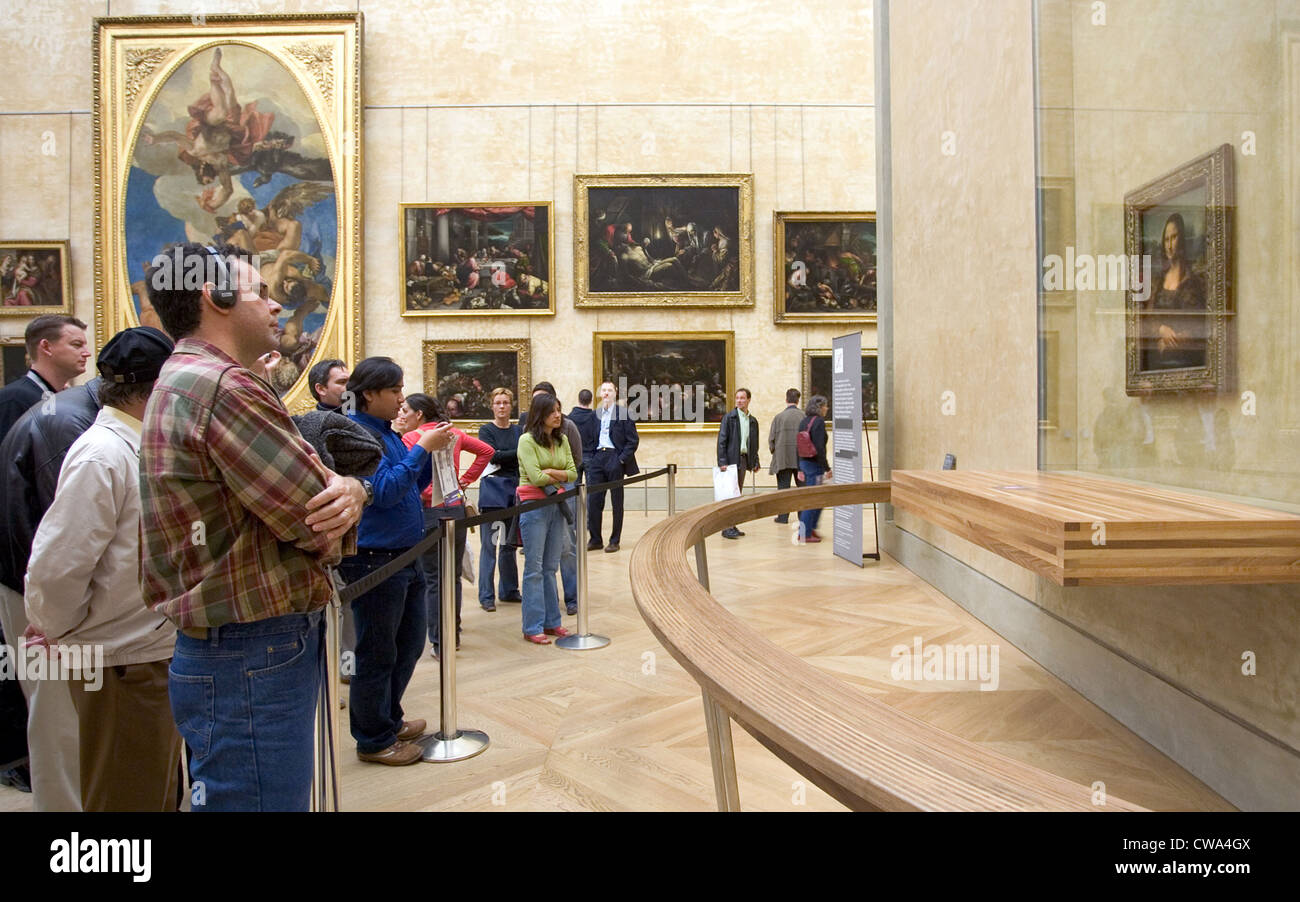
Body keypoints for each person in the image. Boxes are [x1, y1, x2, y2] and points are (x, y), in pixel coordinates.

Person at [140, 242, 368, 810]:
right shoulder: (223, 385)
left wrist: (347, 488)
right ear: (213, 297)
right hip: (251, 648)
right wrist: (352, 489)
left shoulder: (186, 376)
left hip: (231, 646)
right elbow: (316, 517)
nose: (275, 305)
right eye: (259, 292)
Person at [24, 327, 182, 811]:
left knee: (153, 791)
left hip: (145, 651)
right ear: (156, 389)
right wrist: (57, 628)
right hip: (119, 660)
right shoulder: (102, 454)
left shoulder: (137, 444)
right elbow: (59, 563)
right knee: (124, 798)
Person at [340, 359, 452, 765]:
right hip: (375, 560)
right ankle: (373, 739)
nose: (402, 399)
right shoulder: (355, 435)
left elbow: (408, 487)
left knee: (408, 644)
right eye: (394, 390)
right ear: (369, 394)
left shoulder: (387, 433)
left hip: (405, 554)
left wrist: (433, 458)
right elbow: (384, 492)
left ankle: (389, 717)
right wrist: (421, 448)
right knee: (377, 652)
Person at [0, 313, 93, 806]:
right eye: (75, 343)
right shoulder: (19, 401)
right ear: (44, 347)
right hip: (24, 568)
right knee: (47, 696)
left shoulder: (62, 402)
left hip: (49, 567)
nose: (85, 351)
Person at [398, 393, 492, 657]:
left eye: (405, 410)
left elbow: (406, 473)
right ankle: (453, 634)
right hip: (454, 506)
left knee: (432, 578)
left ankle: (440, 642)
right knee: (452, 576)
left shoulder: (412, 438)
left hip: (428, 510)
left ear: (419, 414)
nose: (402, 414)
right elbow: (487, 451)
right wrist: (464, 481)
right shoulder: (454, 433)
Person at [516, 392, 576, 644]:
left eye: (559, 410)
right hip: (534, 506)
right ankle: (532, 625)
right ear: (540, 414)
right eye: (552, 411)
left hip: (556, 504)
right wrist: (557, 474)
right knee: (534, 568)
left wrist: (551, 471)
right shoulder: (526, 440)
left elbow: (573, 473)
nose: (557, 415)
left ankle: (552, 621)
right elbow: (536, 478)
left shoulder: (562, 440)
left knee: (551, 567)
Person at [0, 314, 92, 440]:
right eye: (77, 345)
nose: (87, 353)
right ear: (46, 347)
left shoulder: (60, 398)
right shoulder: (14, 399)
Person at [1142, 212, 1209, 371]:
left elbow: (1201, 326)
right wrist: (1161, 330)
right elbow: (1146, 319)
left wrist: (1173, 341)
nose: (1170, 245)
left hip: (1186, 361)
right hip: (1156, 361)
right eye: (1166, 239)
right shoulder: (1157, 281)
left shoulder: (1194, 281)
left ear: (1182, 239)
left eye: (1174, 237)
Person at [477, 388, 523, 612]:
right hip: (494, 495)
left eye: (505, 402)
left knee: (508, 545)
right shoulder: (486, 430)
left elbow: (519, 456)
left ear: (511, 405)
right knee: (490, 545)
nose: (502, 406)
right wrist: (516, 452)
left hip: (514, 492)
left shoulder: (518, 431)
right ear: (492, 406)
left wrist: (507, 454)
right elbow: (492, 455)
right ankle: (486, 595)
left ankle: (509, 590)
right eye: (498, 403)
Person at [582, 381, 639, 554]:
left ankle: (614, 541)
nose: (606, 393)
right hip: (598, 458)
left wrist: (621, 460)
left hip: (615, 457)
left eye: (609, 390)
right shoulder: (594, 415)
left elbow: (633, 440)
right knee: (594, 501)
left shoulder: (623, 414)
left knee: (616, 502)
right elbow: (589, 439)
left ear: (615, 393)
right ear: (600, 394)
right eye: (603, 390)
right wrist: (592, 458)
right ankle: (595, 539)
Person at [717, 388, 761, 539]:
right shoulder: (729, 418)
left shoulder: (752, 421)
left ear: (748, 400)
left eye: (742, 398)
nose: (739, 401)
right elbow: (722, 441)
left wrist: (755, 460)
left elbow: (754, 443)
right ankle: (726, 527)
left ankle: (732, 524)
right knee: (730, 495)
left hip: (743, 459)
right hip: (730, 460)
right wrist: (722, 461)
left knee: (737, 494)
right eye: (737, 398)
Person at [797, 395, 832, 543]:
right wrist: (827, 468)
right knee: (813, 500)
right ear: (820, 407)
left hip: (805, 463)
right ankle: (804, 533)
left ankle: (810, 528)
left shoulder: (804, 421)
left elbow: (798, 445)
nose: (827, 408)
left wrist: (799, 467)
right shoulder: (818, 422)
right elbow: (819, 448)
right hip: (814, 465)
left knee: (817, 499)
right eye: (825, 405)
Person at [768, 388, 804, 524]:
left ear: (786, 399)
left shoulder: (778, 418)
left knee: (783, 489)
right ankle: (803, 517)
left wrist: (776, 452)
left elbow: (771, 440)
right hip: (801, 460)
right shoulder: (804, 417)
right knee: (802, 490)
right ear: (798, 400)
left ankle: (783, 517)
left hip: (782, 459)